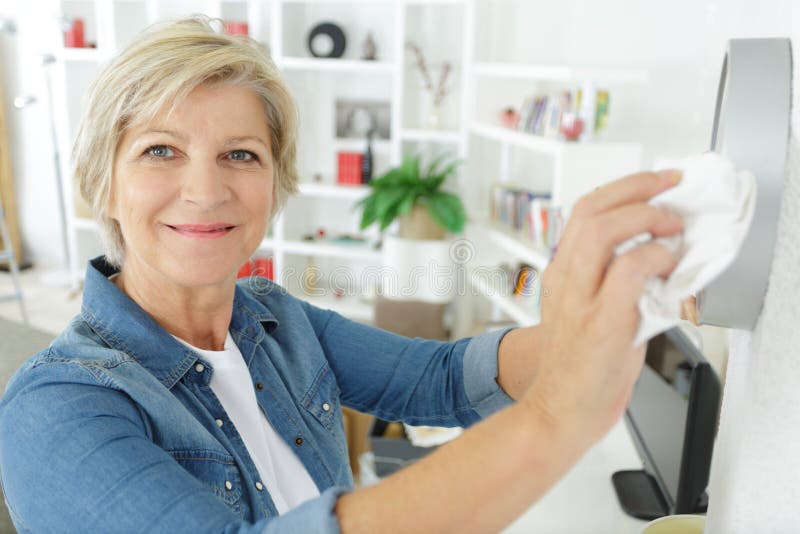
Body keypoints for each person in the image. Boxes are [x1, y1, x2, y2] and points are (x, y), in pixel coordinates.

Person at [0, 16, 685, 533]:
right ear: (104, 185)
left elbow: (442, 379)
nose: (205, 191)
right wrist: (558, 417)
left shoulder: (271, 318)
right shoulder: (54, 406)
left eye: (240, 154)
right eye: (160, 151)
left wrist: (585, 319)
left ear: (274, 181)